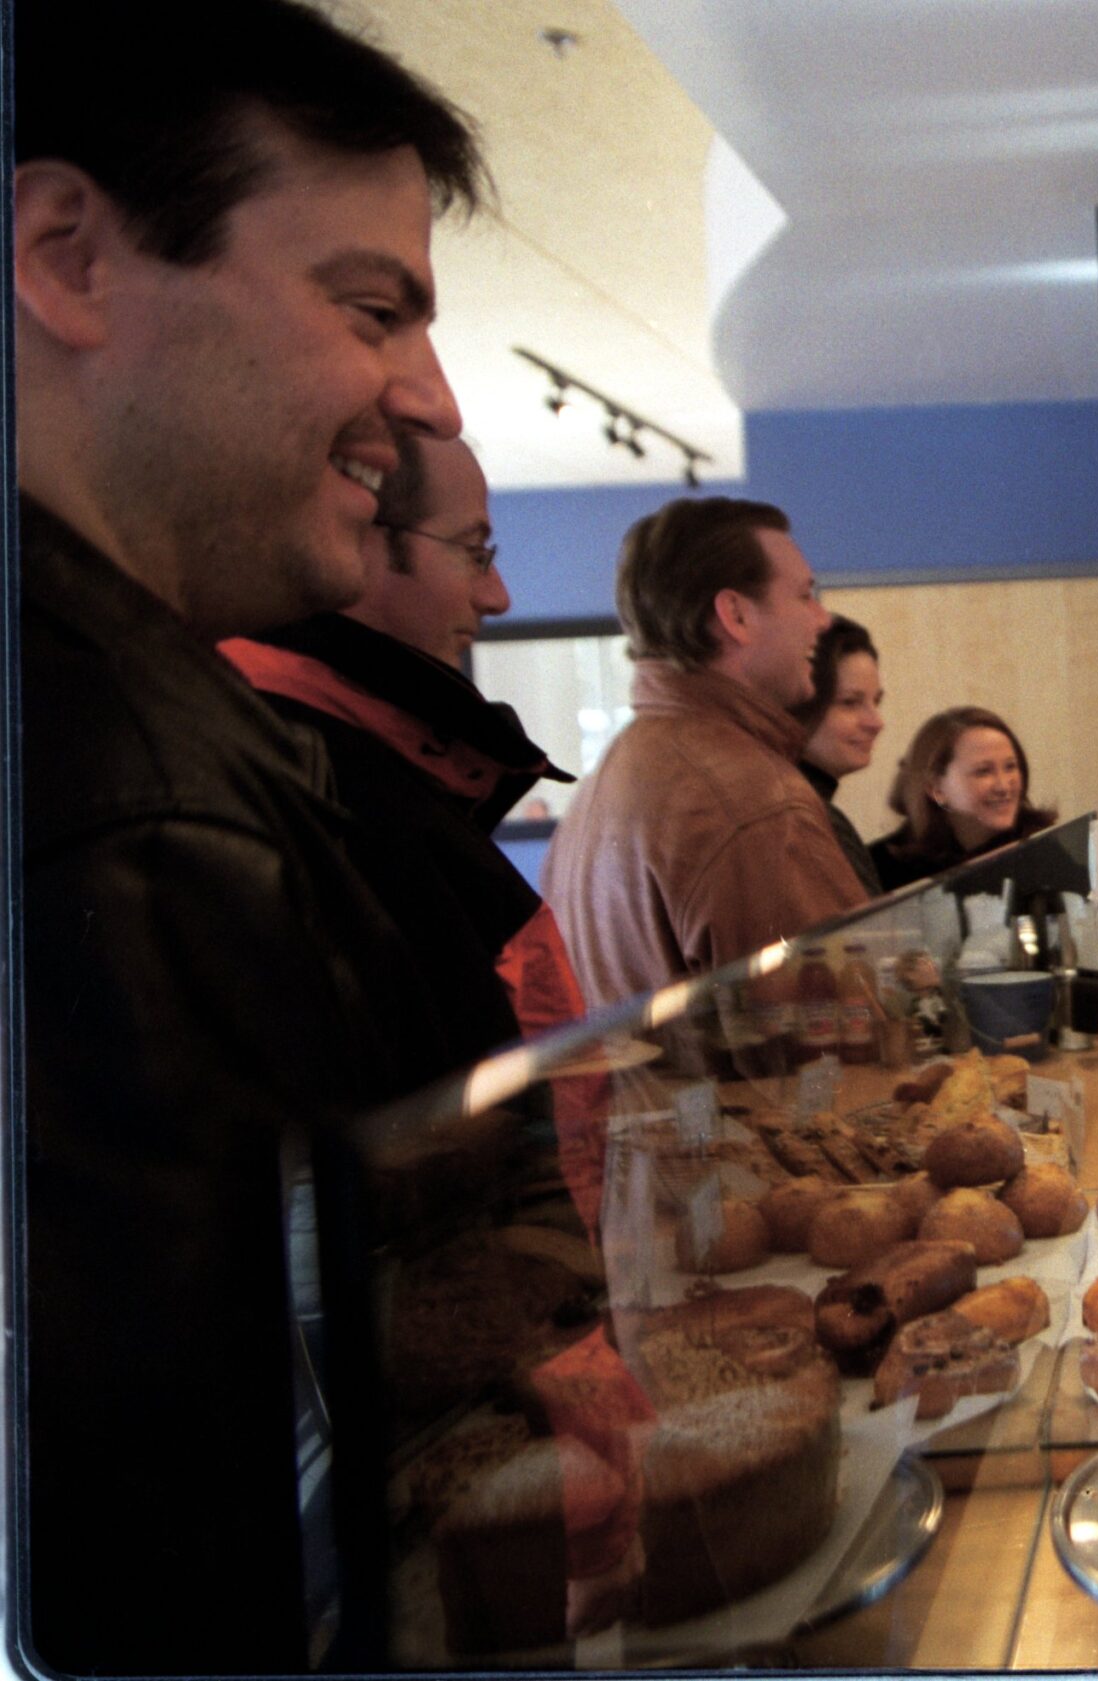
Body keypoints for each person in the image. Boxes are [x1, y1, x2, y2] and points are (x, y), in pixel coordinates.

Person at [13, 2, 485, 1667]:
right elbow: (189, 1578)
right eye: (372, 310)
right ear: (70, 258)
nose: (428, 400)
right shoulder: (133, 805)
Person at [224, 431, 585, 1046]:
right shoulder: (314, 775)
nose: (496, 596)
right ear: (356, 538)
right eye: (474, 551)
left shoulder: (337, 751)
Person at [543, 497, 866, 1003]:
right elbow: (838, 1026)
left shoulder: (602, 783)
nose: (822, 620)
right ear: (735, 615)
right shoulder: (751, 798)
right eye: (805, 595)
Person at [871, 705, 1058, 891]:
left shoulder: (1041, 850)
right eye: (983, 771)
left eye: (1010, 767)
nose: (1003, 786)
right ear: (936, 789)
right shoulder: (882, 868)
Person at [792, 613, 888, 897]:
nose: (876, 722)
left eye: (876, 702)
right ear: (798, 705)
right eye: (849, 703)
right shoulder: (807, 817)